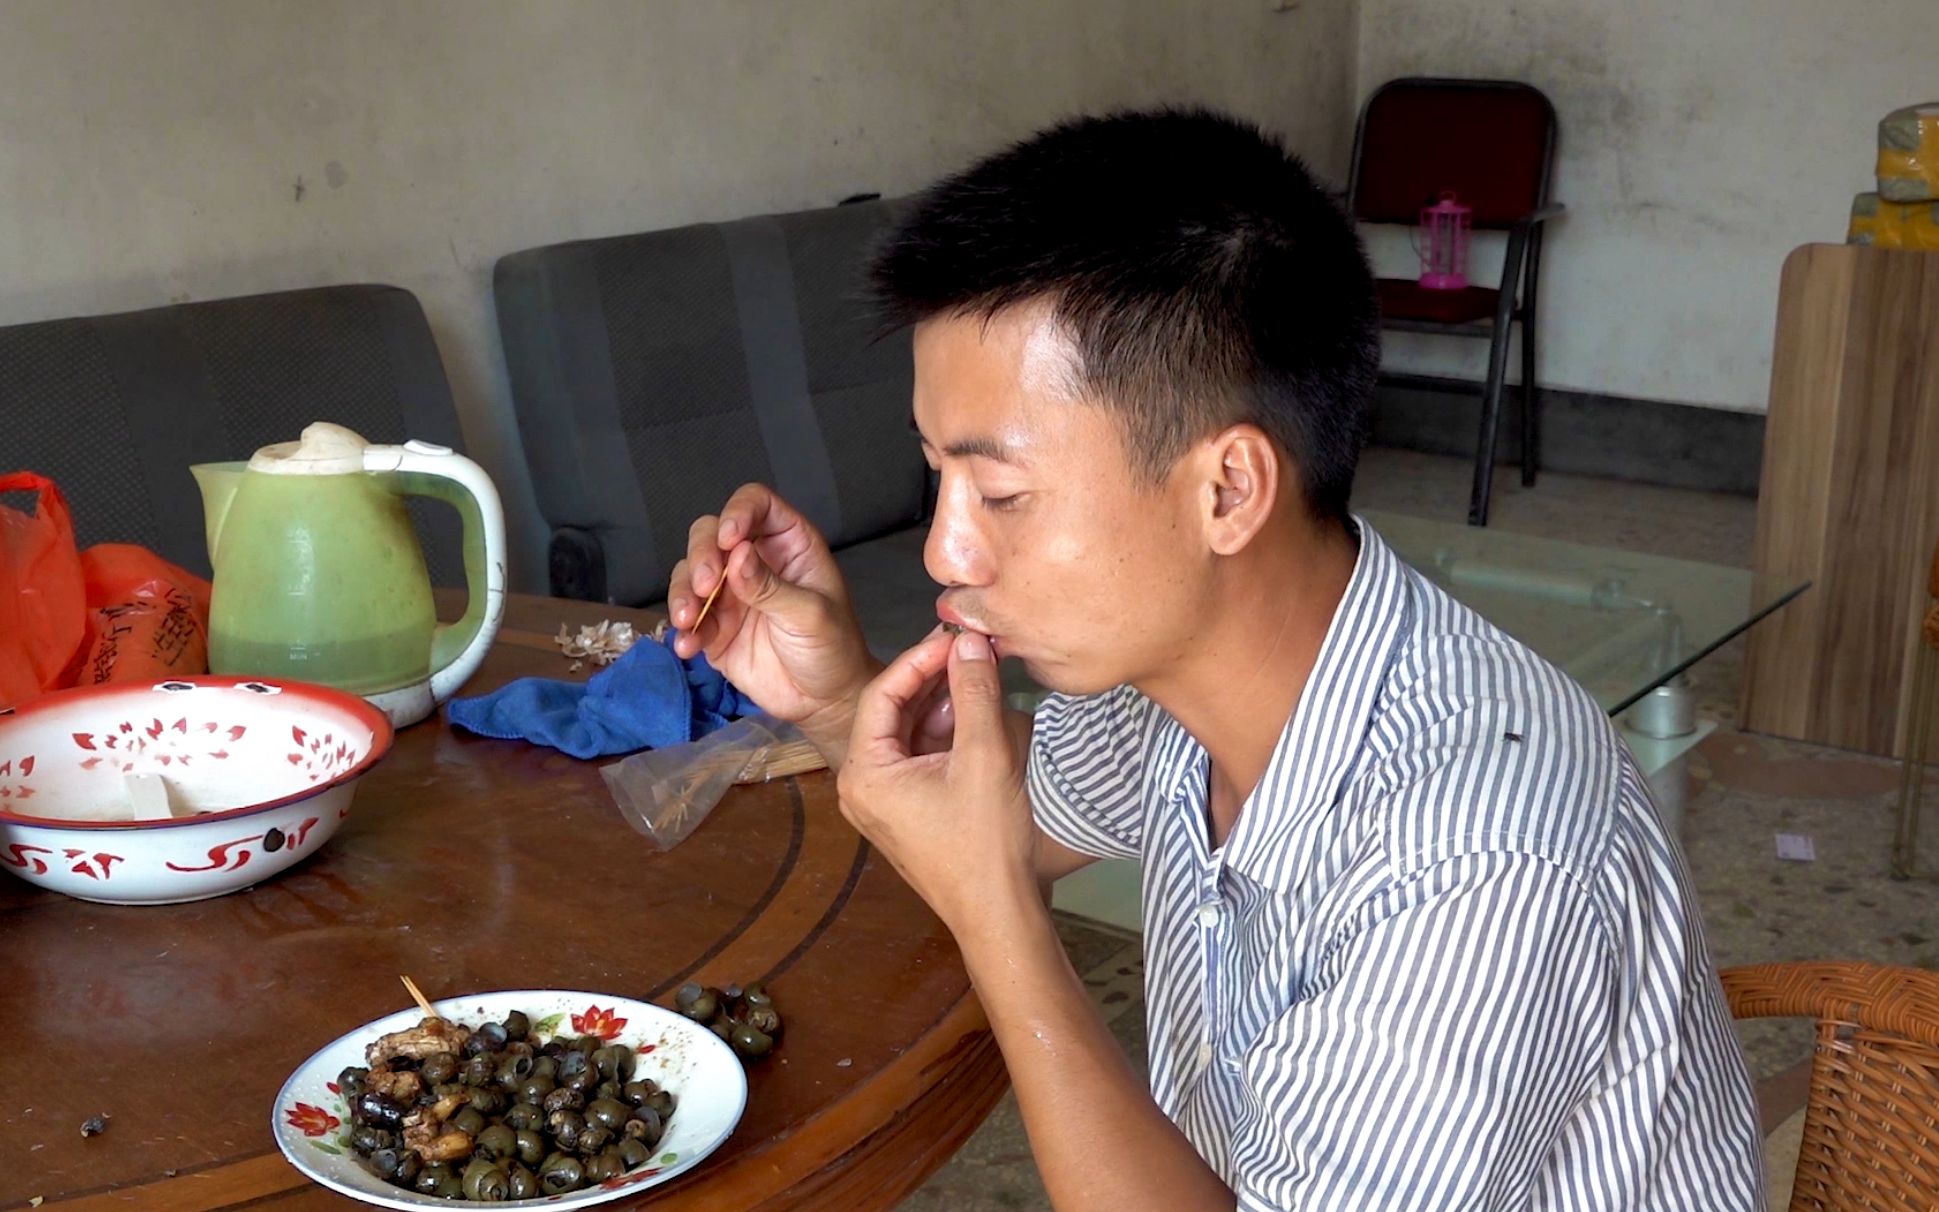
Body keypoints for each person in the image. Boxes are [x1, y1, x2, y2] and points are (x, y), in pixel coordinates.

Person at [667, 107, 1764, 1211]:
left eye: (1000, 492)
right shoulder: (1173, 680)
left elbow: (988, 864)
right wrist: (835, 695)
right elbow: (996, 820)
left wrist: (996, 916)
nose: (946, 549)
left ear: (1227, 491)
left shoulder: (1479, 861)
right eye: (935, 475)